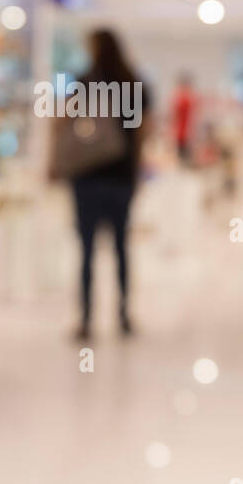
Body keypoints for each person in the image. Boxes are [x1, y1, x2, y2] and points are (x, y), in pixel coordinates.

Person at [65, 29, 148, 339]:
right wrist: (136, 172)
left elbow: (66, 126)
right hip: (120, 177)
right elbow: (141, 132)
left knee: (86, 250)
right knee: (121, 248)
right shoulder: (132, 83)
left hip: (87, 176)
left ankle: (86, 320)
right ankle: (124, 315)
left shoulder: (85, 81)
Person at [171, 72, 196, 163]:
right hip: (182, 133)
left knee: (183, 159)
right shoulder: (185, 99)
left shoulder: (183, 99)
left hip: (183, 134)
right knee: (182, 158)